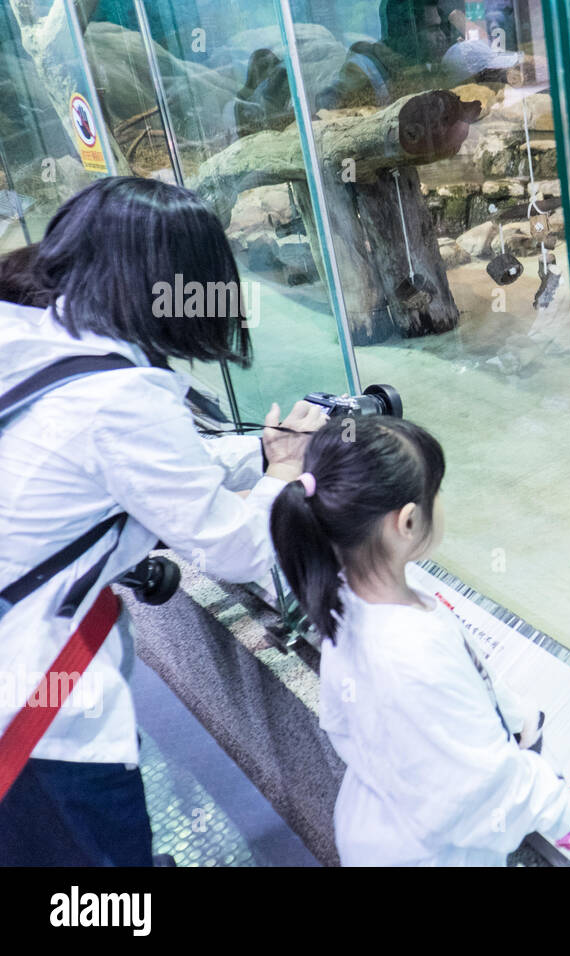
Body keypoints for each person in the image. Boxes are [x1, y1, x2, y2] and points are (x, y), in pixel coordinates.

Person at [0, 177, 327, 865]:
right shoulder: (120, 397)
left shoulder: (34, 334)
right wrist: (282, 477)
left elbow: (134, 471)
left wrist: (262, 452)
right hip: (32, 709)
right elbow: (235, 546)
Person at [269, 416, 570, 865]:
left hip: (377, 825)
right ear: (407, 521)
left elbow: (345, 724)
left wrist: (510, 722)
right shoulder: (408, 655)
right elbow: (483, 789)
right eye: (434, 491)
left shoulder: (347, 602)